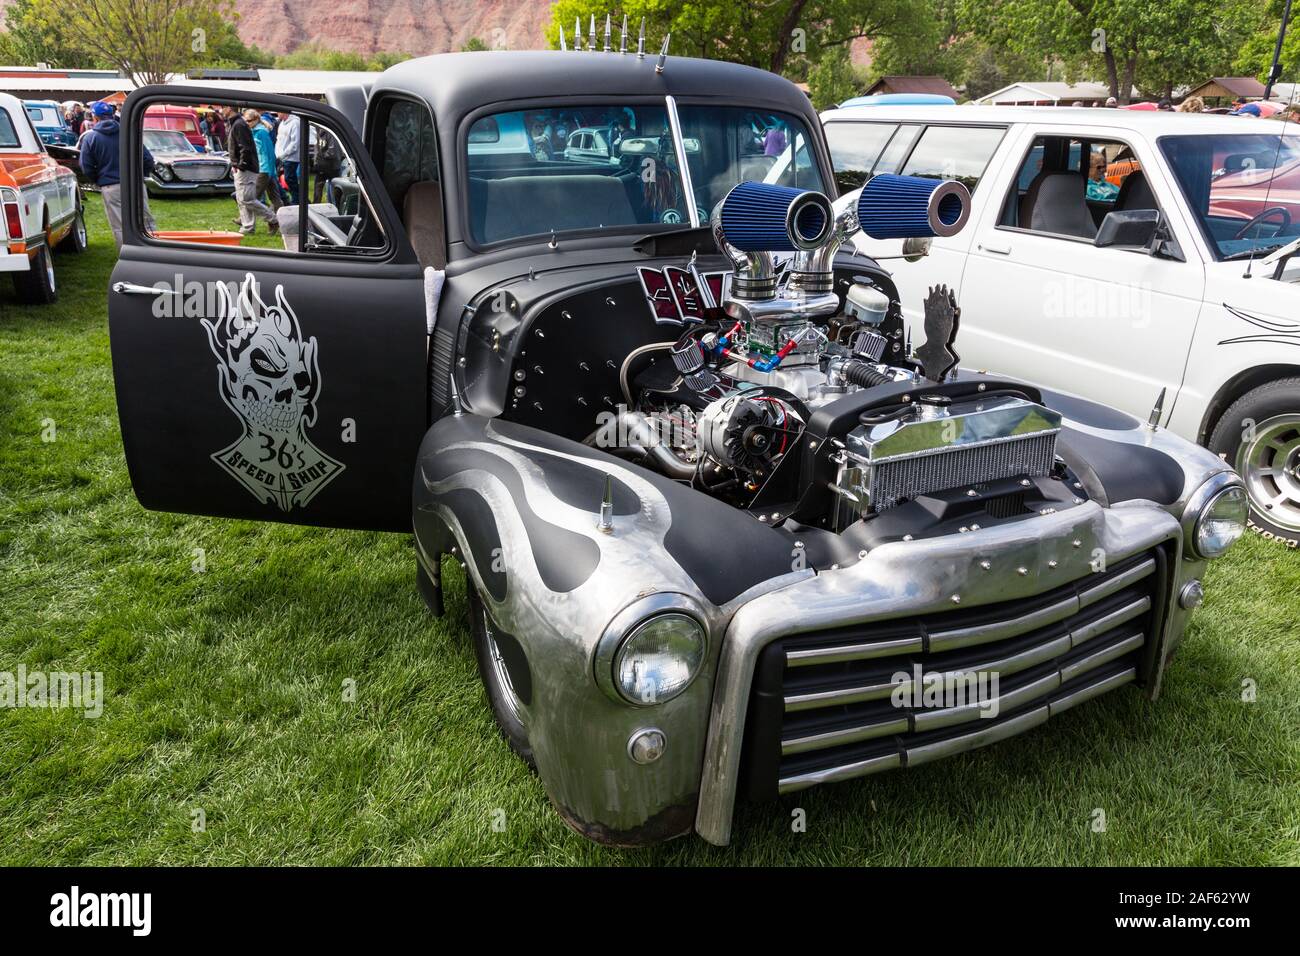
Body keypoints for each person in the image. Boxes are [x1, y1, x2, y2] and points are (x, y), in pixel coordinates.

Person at [78, 100, 156, 247]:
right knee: (146, 221)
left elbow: (86, 166)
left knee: (120, 226)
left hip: (111, 186)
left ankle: (128, 257)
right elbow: (148, 160)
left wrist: (100, 179)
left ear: (95, 117)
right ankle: (152, 254)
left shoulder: (90, 138)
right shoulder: (129, 134)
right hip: (134, 183)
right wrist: (140, 175)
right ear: (112, 115)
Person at [223, 105, 278, 236]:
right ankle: (248, 227)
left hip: (248, 168)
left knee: (247, 199)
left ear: (229, 108)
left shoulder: (240, 125)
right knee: (242, 199)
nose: (220, 110)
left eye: (223, 107)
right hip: (243, 167)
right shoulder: (236, 124)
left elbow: (246, 148)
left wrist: (241, 165)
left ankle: (273, 219)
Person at [245, 109, 282, 211]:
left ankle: (244, 219)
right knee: (275, 198)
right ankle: (279, 219)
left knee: (252, 197)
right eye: (246, 121)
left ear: (256, 119)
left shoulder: (261, 133)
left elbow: (269, 153)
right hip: (264, 169)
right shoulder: (254, 132)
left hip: (264, 169)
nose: (247, 123)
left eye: (249, 121)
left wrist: (270, 171)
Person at [275, 111, 301, 204]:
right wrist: (277, 153)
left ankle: (297, 200)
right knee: (286, 179)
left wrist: (283, 154)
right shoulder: (281, 123)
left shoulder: (295, 123)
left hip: (292, 157)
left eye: (278, 111)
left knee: (290, 179)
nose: (277, 114)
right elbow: (279, 140)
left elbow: (295, 143)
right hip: (282, 157)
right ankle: (298, 199)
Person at [311, 126, 342, 205]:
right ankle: (335, 207)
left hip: (328, 165)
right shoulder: (329, 131)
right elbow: (332, 151)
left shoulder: (321, 131)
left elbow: (331, 151)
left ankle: (317, 207)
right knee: (335, 189)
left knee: (321, 189)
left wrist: (318, 159)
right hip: (332, 166)